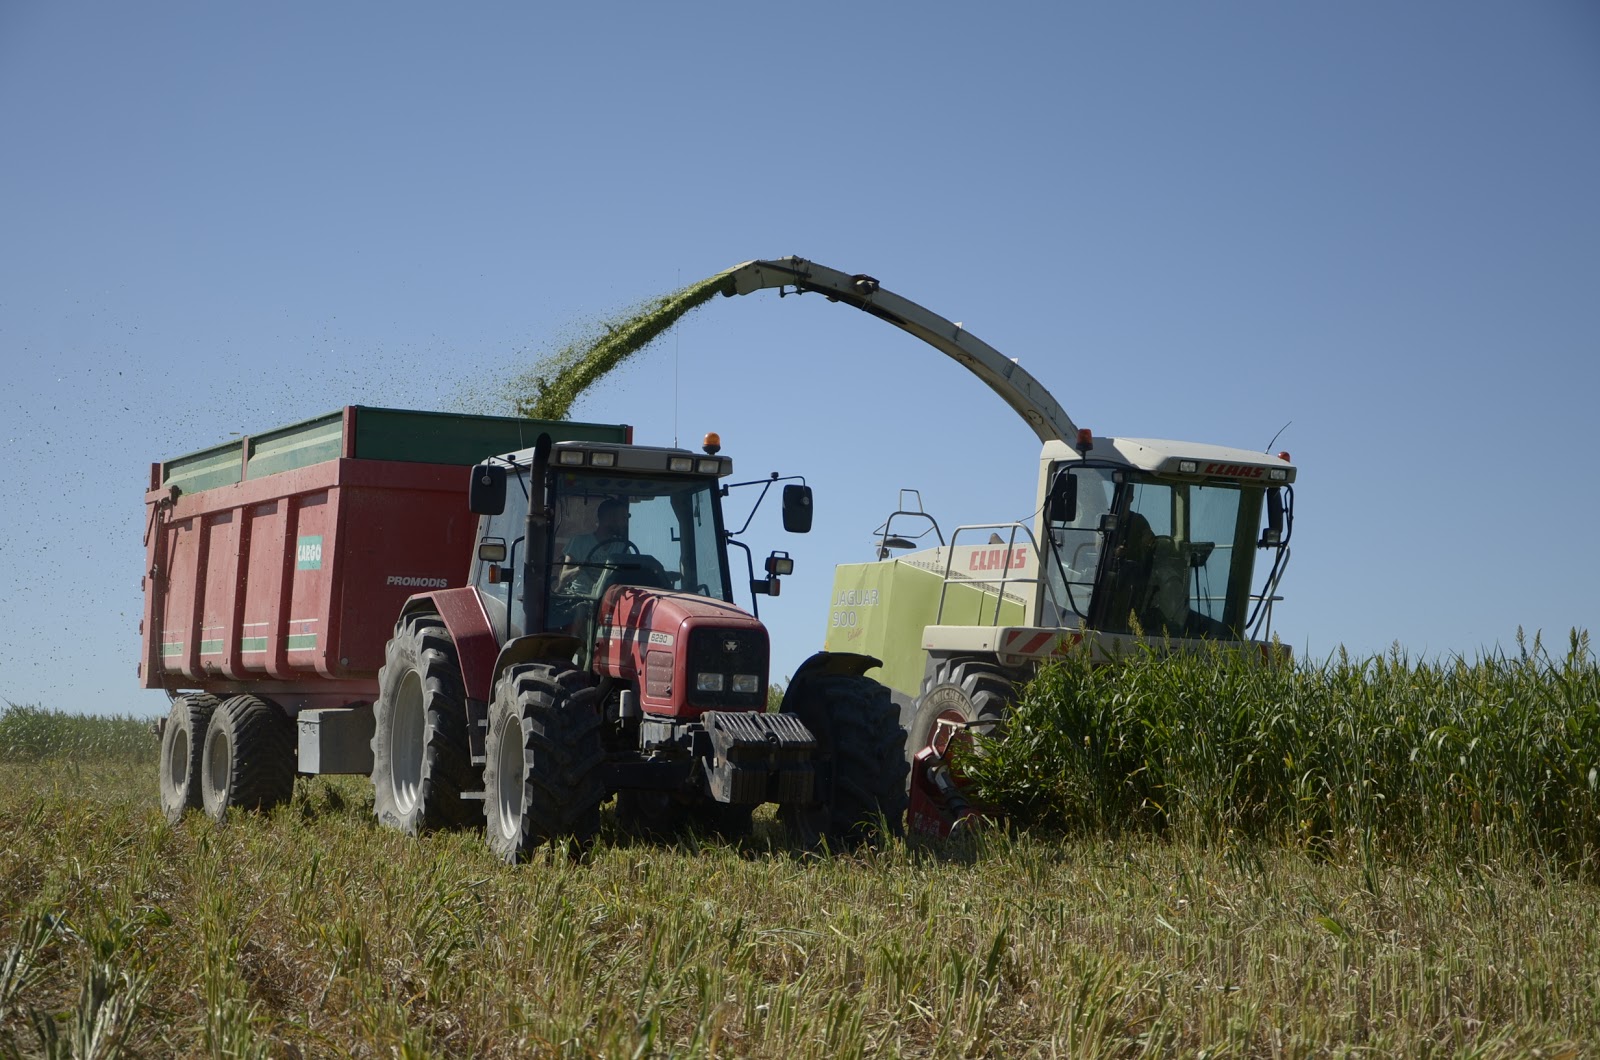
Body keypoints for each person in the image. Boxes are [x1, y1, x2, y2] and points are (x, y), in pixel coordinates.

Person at [558, 497, 632, 597]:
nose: (625, 524)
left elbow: (630, 577)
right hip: (579, 599)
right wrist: (581, 568)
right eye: (623, 518)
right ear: (609, 518)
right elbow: (563, 577)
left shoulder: (622, 548)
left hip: (609, 601)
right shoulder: (579, 542)